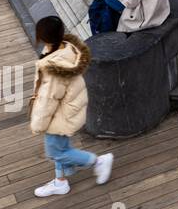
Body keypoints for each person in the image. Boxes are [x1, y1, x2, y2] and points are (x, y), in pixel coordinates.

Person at [28, 15, 114, 197]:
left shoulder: (54, 68)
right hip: (68, 109)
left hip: (59, 115)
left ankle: (98, 161)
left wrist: (38, 124)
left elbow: (48, 99)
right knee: (61, 148)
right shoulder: (63, 49)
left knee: (55, 152)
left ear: (43, 37)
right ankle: (60, 182)